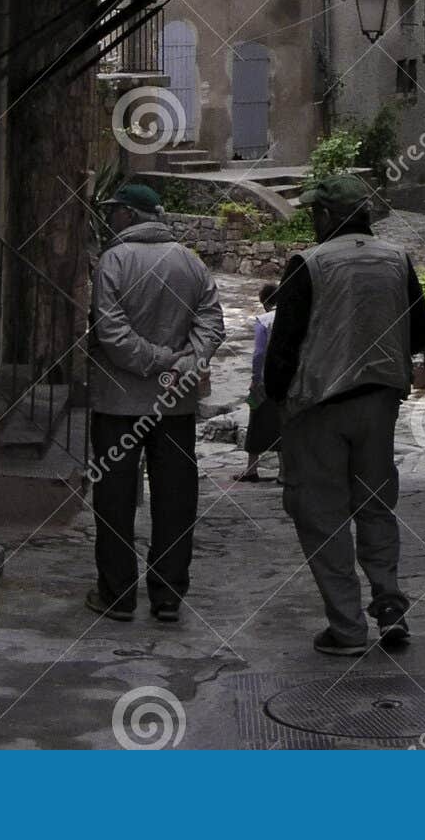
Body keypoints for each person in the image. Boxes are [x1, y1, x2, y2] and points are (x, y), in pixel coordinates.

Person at [264, 174, 425, 656]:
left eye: (315, 213)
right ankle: (390, 604)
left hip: (320, 405)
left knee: (322, 515)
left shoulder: (309, 265)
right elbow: (420, 333)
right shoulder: (397, 259)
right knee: (376, 507)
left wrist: (276, 401)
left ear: (326, 216)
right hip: (379, 402)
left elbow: (284, 346)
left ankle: (347, 628)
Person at [86, 181, 225, 623]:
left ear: (128, 215)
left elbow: (111, 333)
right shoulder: (190, 261)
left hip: (118, 405)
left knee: (114, 500)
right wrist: (185, 363)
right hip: (174, 405)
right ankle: (167, 595)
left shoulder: (113, 261)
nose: (110, 218)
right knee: (175, 499)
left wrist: (158, 360)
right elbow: (212, 322)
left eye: (114, 210)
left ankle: (117, 594)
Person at [235, 282, 282, 482]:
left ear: (264, 302)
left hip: (264, 380)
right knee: (283, 422)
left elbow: (259, 353)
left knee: (255, 421)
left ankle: (252, 469)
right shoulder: (292, 316)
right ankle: (284, 471)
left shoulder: (264, 321)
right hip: (287, 378)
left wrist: (255, 379)